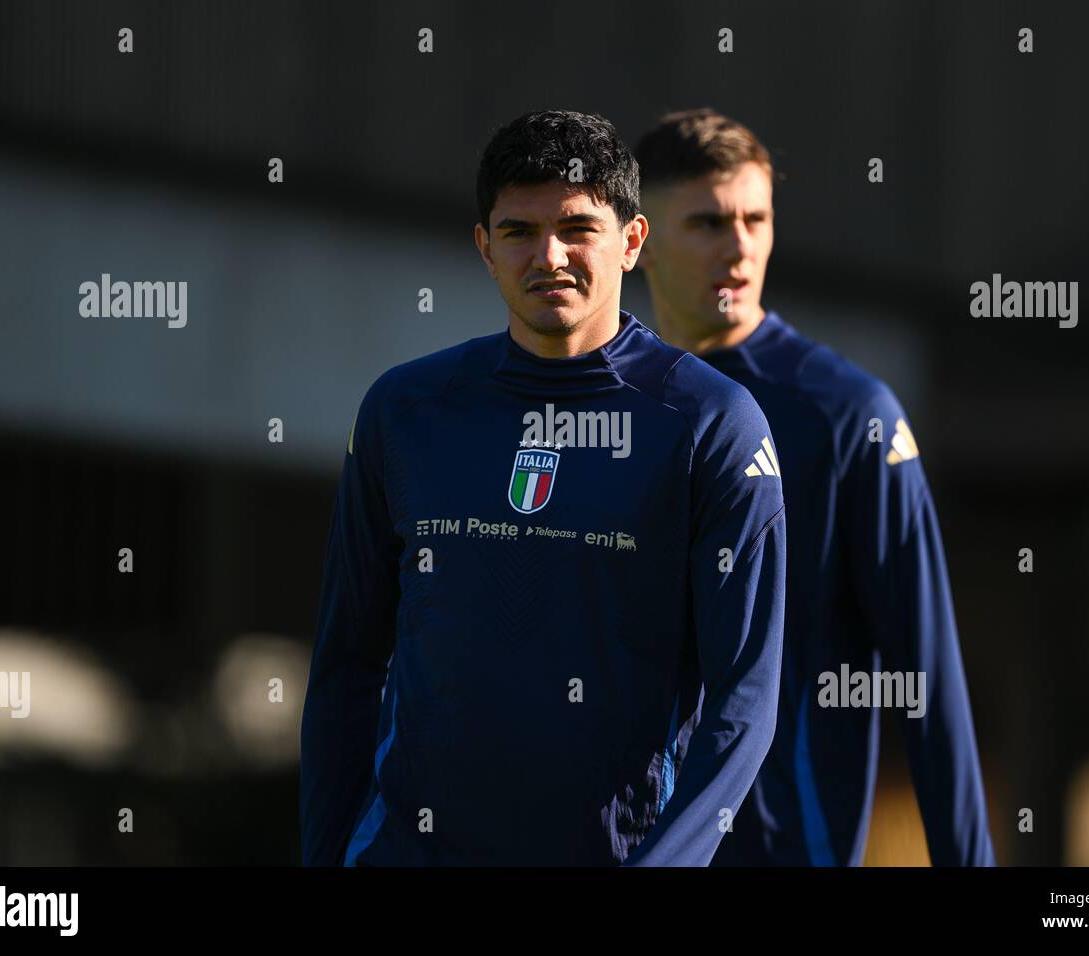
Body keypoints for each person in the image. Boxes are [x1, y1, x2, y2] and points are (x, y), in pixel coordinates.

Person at [299, 109, 788, 866]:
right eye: (519, 231)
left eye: (577, 228)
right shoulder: (404, 410)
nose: (548, 256)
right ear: (484, 248)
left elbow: (746, 699)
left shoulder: (711, 423)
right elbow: (346, 665)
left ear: (632, 241)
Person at [634, 108, 995, 866]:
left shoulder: (848, 416)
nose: (739, 247)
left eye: (755, 218)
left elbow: (928, 679)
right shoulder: (602, 402)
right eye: (706, 222)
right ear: (639, 240)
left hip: (779, 850)